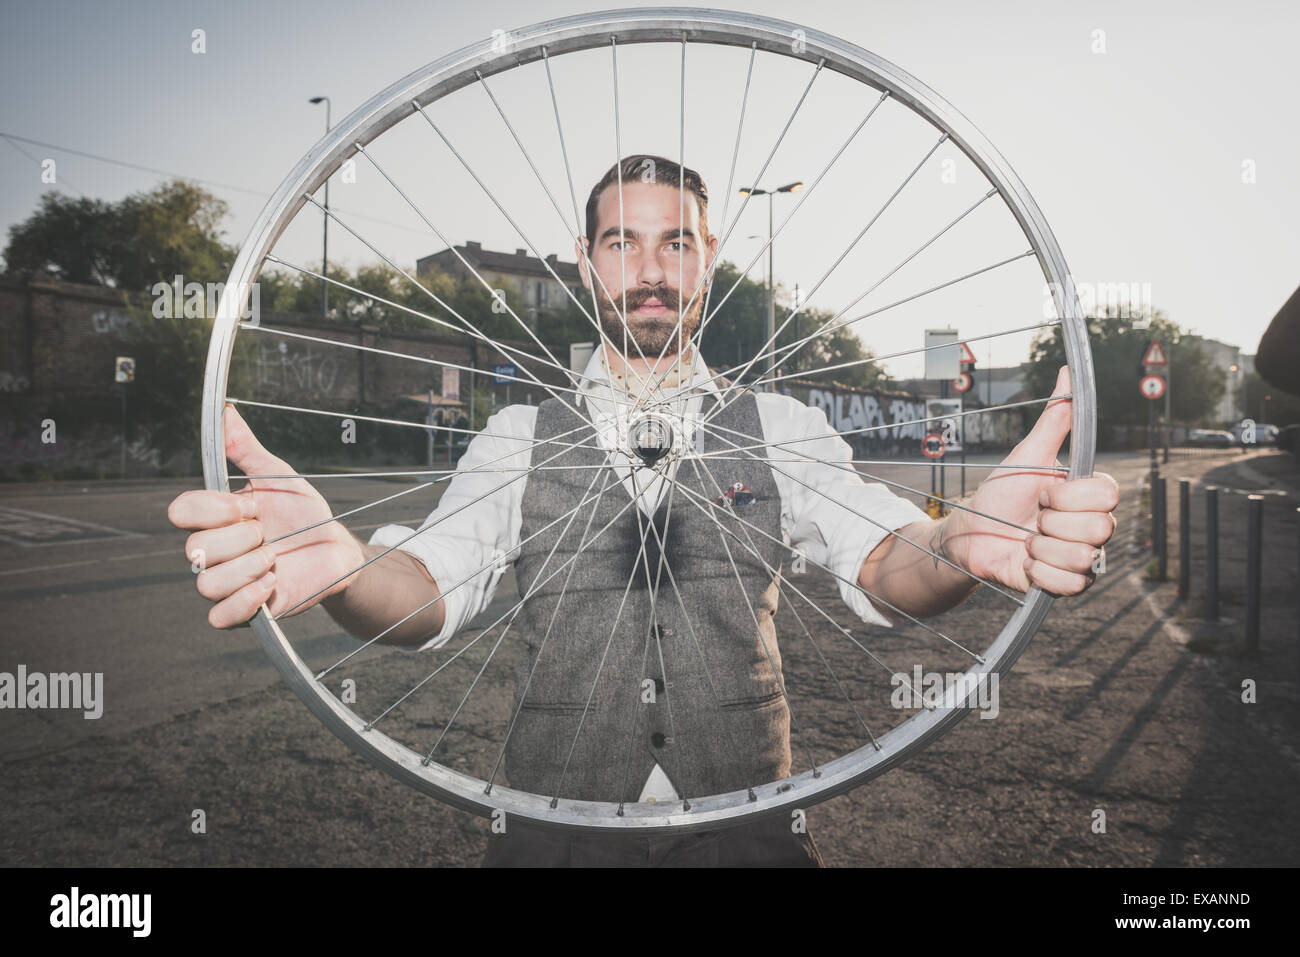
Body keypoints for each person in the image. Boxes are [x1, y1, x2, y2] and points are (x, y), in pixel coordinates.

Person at [168, 154, 1119, 868]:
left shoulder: (779, 425)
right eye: (622, 241)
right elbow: (423, 590)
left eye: (677, 241)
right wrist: (339, 564)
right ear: (586, 262)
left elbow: (884, 561)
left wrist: (957, 539)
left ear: (710, 261)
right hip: (553, 826)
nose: (651, 268)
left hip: (744, 822)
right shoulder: (515, 436)